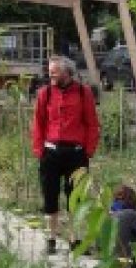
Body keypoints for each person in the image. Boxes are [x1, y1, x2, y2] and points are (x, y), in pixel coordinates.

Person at [31, 54, 101, 254]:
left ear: (67, 72)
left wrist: (88, 151)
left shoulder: (83, 92)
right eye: (49, 70)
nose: (50, 74)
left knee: (76, 198)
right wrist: (39, 150)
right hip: (51, 153)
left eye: (55, 71)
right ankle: (51, 238)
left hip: (76, 154)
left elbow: (92, 123)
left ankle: (74, 239)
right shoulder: (45, 94)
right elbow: (38, 123)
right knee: (50, 196)